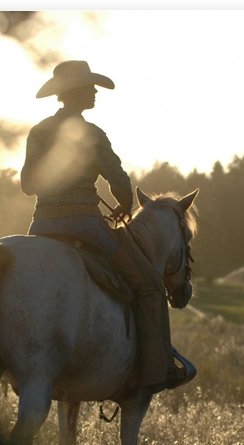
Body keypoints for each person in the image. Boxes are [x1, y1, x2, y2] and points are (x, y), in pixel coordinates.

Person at [21, 60, 193, 392]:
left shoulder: (38, 131)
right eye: (90, 88)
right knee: (150, 286)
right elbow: (119, 179)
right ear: (77, 93)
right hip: (85, 225)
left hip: (40, 226)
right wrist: (123, 204)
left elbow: (28, 185)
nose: (95, 93)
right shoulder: (93, 134)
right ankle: (159, 369)